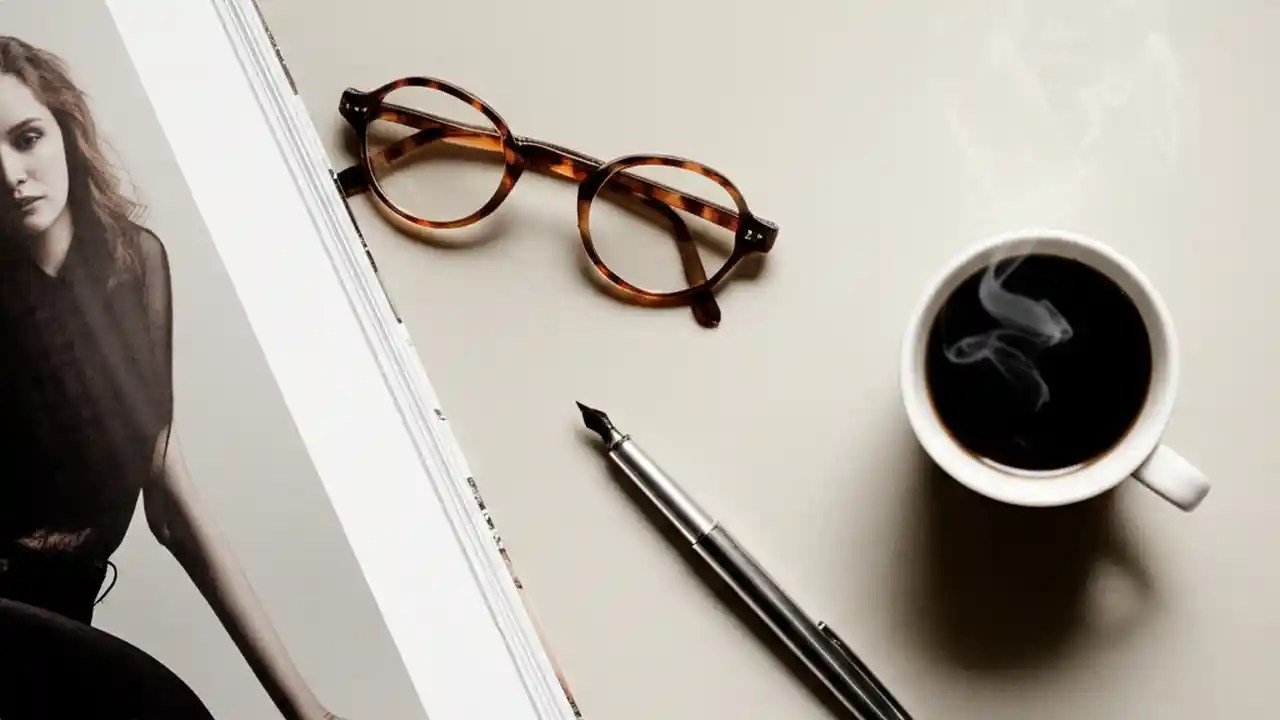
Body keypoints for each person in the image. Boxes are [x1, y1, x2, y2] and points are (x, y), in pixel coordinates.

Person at [0, 35, 346, 720]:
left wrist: (303, 706)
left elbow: (167, 494)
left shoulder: (135, 266)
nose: (10, 172)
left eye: (26, 137)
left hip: (63, 615)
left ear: (65, 129)